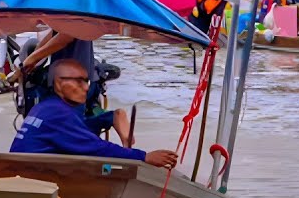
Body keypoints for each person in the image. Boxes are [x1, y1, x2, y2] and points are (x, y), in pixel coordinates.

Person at [11, 59, 178, 168]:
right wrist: (144, 156)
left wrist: (109, 118)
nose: (85, 88)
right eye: (78, 82)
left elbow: (76, 132)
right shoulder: (58, 113)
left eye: (87, 81)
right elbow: (96, 147)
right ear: (59, 83)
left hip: (20, 170)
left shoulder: (45, 107)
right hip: (29, 179)